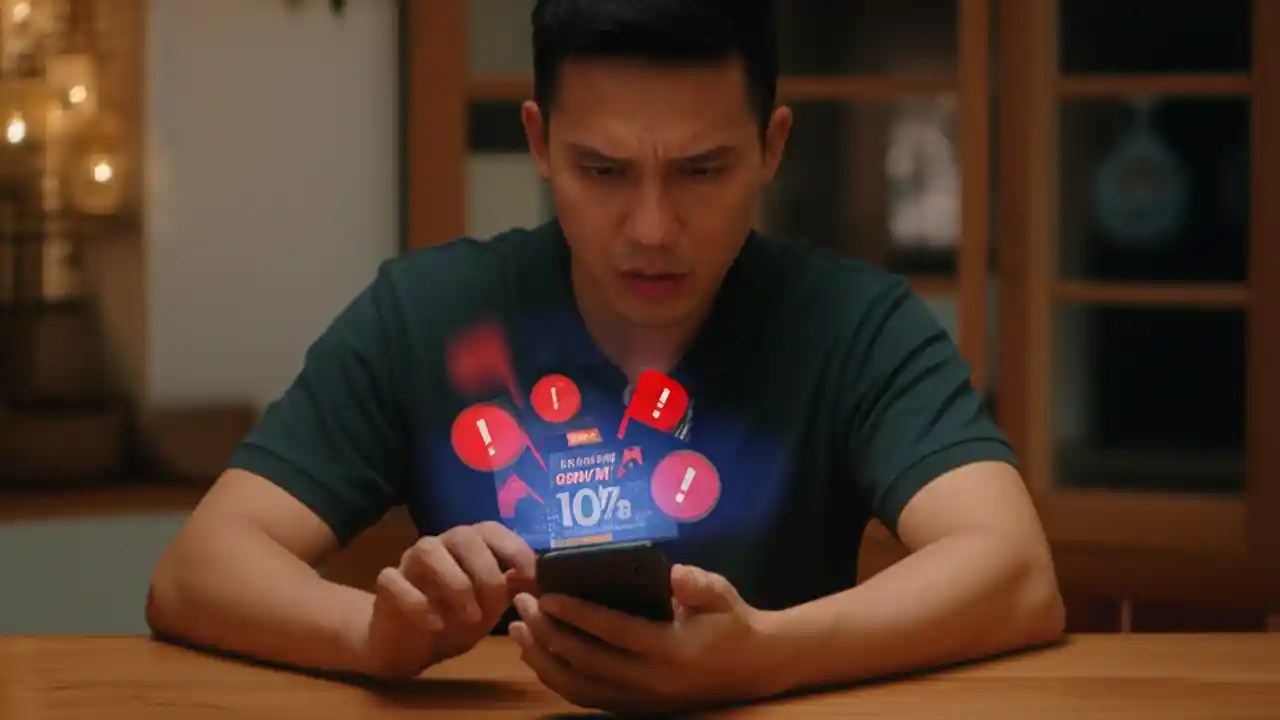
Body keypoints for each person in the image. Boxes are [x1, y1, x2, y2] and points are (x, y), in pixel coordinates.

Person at [145, 0, 1064, 714]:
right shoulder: (429, 314)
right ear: (540, 142)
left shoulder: (853, 323)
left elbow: (1015, 573)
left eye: (702, 171)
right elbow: (201, 570)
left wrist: (768, 656)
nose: (652, 228)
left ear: (771, 147)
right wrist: (377, 637)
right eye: (604, 171)